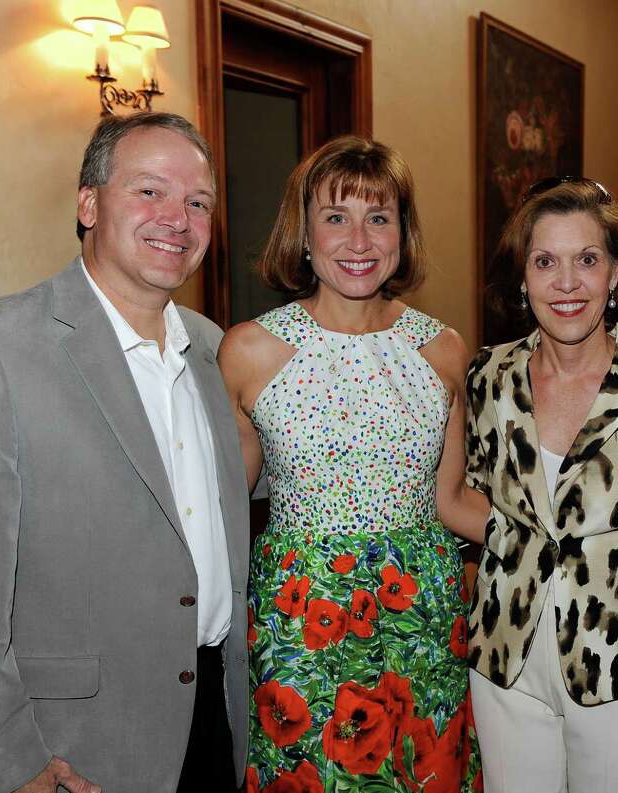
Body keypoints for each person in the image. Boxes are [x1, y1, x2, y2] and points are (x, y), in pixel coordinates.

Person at [0, 112, 250, 792]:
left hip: (215, 719)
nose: (177, 219)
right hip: (74, 748)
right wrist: (5, 767)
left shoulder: (218, 350)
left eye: (198, 202)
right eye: (150, 191)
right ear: (89, 202)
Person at [218, 135, 483, 791]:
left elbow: (453, 500)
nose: (359, 239)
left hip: (423, 608)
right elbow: (221, 508)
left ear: (402, 233)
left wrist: (562, 539)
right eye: (336, 217)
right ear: (304, 234)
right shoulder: (251, 351)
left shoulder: (444, 349)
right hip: (302, 612)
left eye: (379, 217)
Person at [441, 178, 618, 793]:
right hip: (504, 656)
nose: (566, 283)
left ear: (614, 274)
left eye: (587, 260)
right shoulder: (489, 377)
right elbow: (464, 497)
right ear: (523, 278)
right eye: (546, 262)